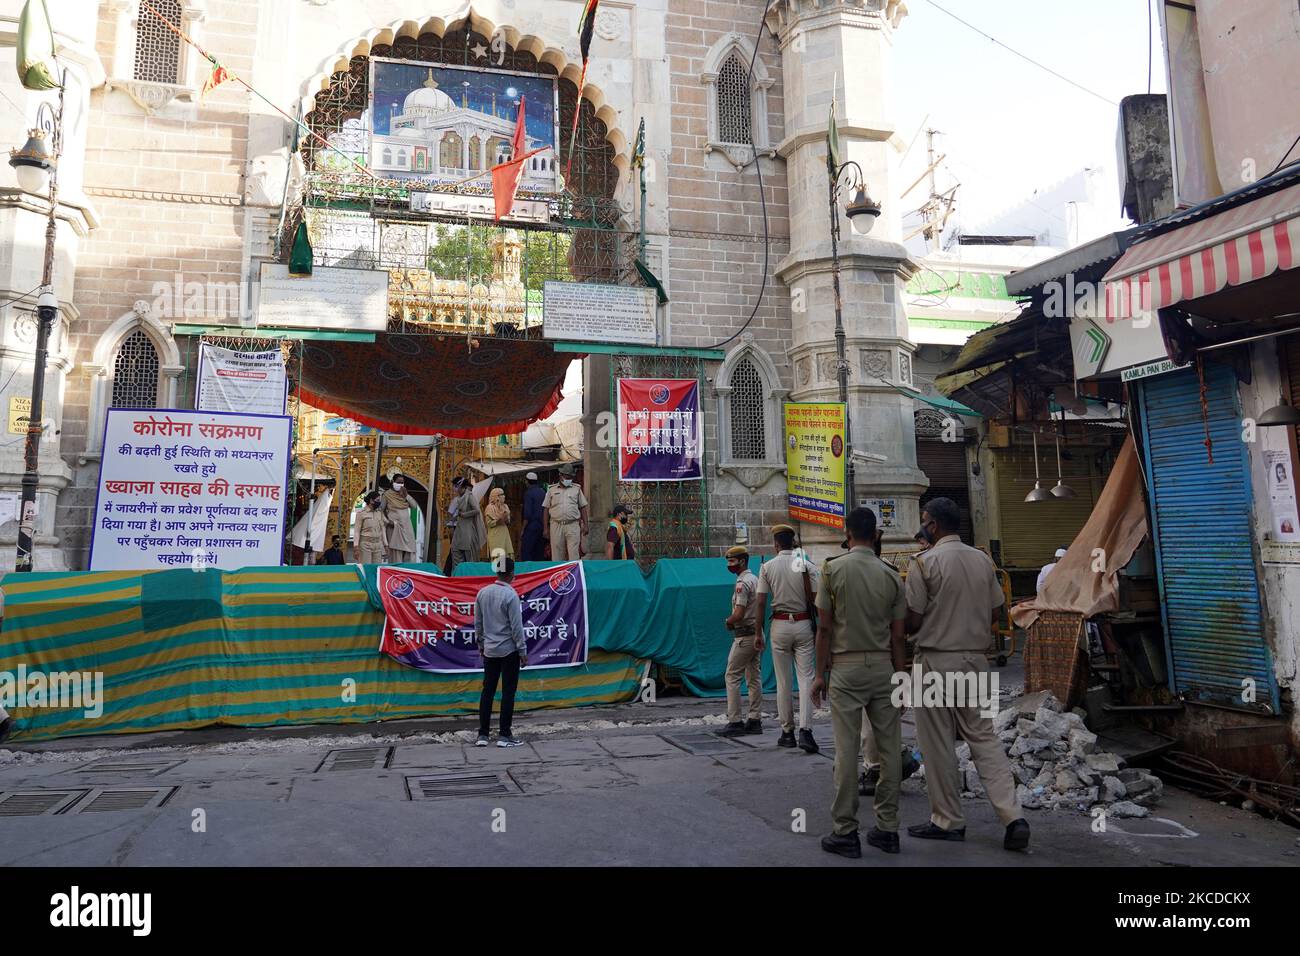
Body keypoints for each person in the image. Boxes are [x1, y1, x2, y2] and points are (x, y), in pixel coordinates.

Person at [905, 496, 1030, 851]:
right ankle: (1014, 817)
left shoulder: (924, 563)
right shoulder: (982, 561)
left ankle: (947, 820)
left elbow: (912, 619)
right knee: (984, 739)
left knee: (938, 743)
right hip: (976, 661)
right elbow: (996, 612)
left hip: (934, 662)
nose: (923, 525)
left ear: (934, 525)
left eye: (925, 519)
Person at [811, 507, 908, 857]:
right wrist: (902, 679)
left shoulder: (832, 570)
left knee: (846, 750)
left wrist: (819, 674)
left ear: (847, 533)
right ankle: (888, 828)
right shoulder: (891, 575)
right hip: (884, 667)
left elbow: (823, 628)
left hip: (846, 670)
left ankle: (845, 831)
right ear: (876, 535)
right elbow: (899, 638)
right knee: (889, 748)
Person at [753, 525, 818, 753]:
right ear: (794, 543)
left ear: (776, 544)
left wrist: (758, 632)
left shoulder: (767, 567)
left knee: (783, 682)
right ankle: (806, 731)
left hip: (779, 625)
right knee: (806, 678)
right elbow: (816, 599)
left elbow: (760, 602)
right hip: (803, 624)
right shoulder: (806, 566)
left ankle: (787, 732)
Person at [474, 556, 528, 748]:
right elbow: (516, 627)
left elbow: (478, 624)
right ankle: (505, 735)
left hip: (489, 650)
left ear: (497, 572)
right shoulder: (511, 596)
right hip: (509, 651)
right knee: (507, 692)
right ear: (512, 574)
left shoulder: (482, 593)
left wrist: (481, 645)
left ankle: (482, 734)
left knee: (487, 691)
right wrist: (522, 651)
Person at [717, 545, 763, 736]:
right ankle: (754, 719)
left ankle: (735, 720)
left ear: (742, 561)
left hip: (744, 635)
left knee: (732, 675)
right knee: (753, 677)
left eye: (732, 561)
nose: (729, 565)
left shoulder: (742, 583)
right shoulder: (754, 579)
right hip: (756, 633)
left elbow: (739, 612)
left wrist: (729, 621)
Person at [543, 464, 588, 562]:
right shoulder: (551, 490)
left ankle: (574, 576)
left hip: (573, 525)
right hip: (556, 525)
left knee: (574, 554)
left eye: (571, 477)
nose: (569, 479)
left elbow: (583, 507)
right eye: (567, 477)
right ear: (561, 475)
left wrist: (586, 525)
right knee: (557, 555)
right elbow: (546, 509)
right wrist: (545, 528)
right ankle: (559, 576)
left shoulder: (576, 489)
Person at [448, 478, 486, 573]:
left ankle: (470, 578)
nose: (454, 488)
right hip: (460, 529)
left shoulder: (469, 496)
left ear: (461, 486)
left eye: (456, 486)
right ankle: (457, 576)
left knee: (470, 558)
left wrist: (465, 515)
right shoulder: (458, 498)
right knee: (455, 550)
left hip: (468, 530)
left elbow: (476, 510)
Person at [382, 473, 418, 563]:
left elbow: (414, 506)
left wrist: (406, 495)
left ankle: (407, 574)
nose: (400, 484)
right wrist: (388, 521)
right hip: (394, 528)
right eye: (398, 482)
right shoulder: (387, 495)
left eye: (402, 482)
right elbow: (380, 511)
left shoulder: (404, 494)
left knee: (409, 551)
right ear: (393, 482)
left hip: (407, 527)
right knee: (396, 553)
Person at [352, 491, 388, 565]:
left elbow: (383, 530)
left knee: (376, 568)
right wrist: (356, 547)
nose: (379, 502)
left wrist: (386, 545)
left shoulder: (379, 513)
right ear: (371, 500)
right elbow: (356, 531)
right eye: (377, 500)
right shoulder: (361, 513)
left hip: (378, 545)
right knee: (366, 567)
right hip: (365, 545)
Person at [520, 472, 547, 561]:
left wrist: (523, 529)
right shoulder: (543, 492)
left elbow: (527, 514)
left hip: (531, 528)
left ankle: (528, 573)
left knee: (527, 553)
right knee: (539, 553)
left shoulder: (528, 493)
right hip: (542, 527)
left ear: (527, 482)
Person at [485, 487, 514, 559]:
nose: (504, 496)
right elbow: (488, 523)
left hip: (504, 533)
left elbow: (508, 521)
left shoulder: (505, 506)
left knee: (507, 555)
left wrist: (506, 518)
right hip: (495, 534)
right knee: (498, 556)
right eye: (502, 494)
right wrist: (498, 521)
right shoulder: (490, 508)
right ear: (496, 496)